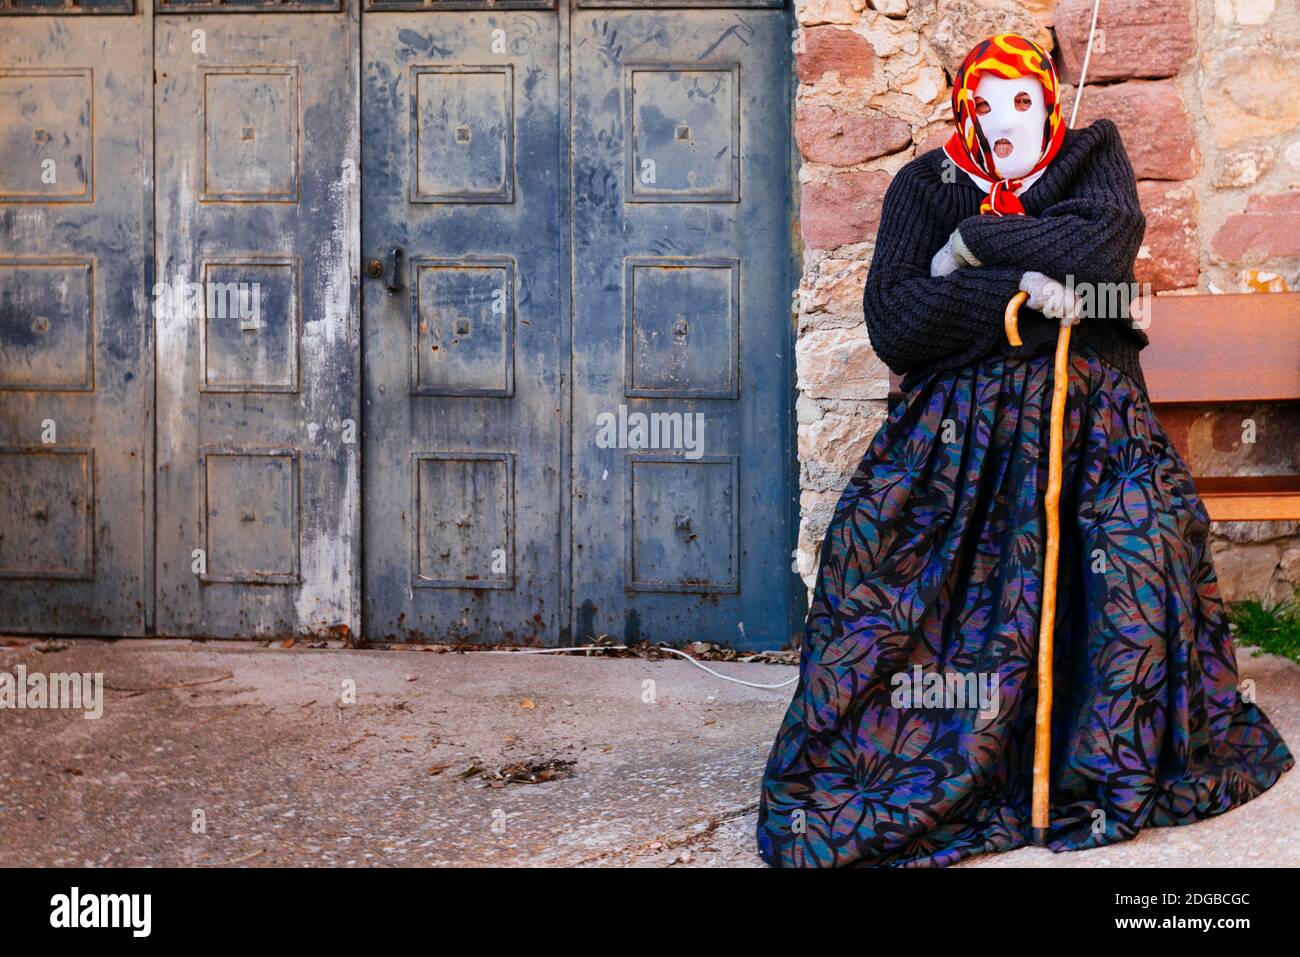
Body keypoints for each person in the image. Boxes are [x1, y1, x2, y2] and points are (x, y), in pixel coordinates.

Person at [756, 33, 1294, 868]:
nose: (1004, 119)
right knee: (879, 548)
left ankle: (1091, 757)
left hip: (1099, 429)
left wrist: (968, 251)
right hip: (953, 443)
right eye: (985, 103)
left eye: (1021, 100)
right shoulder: (921, 186)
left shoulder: (1093, 160)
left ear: (1047, 101)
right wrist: (1027, 296)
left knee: (1138, 548)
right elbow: (898, 324)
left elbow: (1107, 262)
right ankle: (958, 751)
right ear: (963, 113)